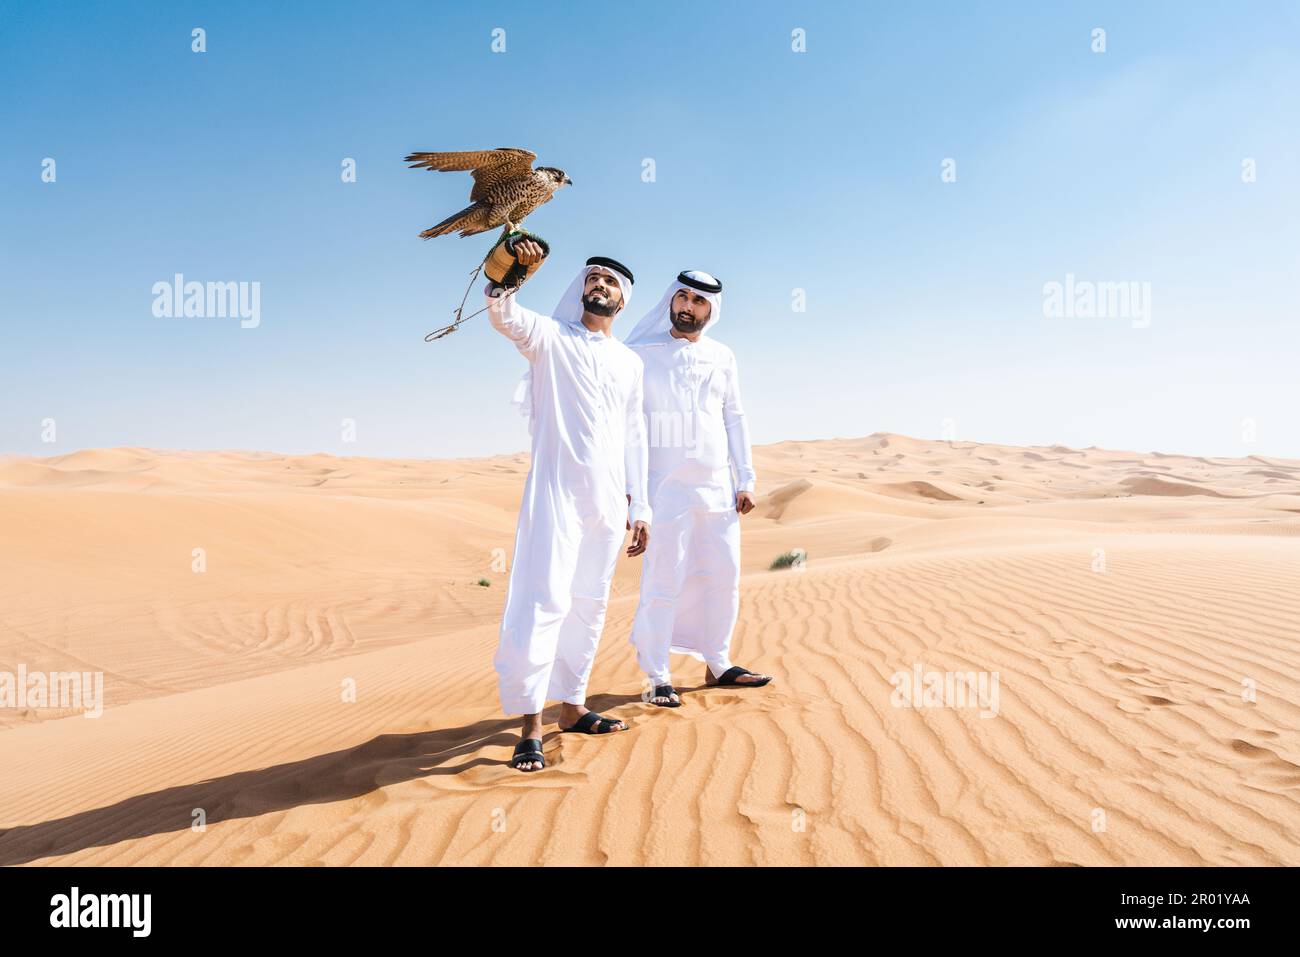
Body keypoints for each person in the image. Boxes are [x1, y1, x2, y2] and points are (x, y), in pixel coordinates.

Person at [485, 240, 651, 771]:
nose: (599, 286)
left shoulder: (629, 362)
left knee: (589, 602)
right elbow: (504, 315)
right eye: (593, 279)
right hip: (555, 492)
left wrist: (640, 506)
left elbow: (635, 436)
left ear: (621, 301)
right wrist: (512, 269)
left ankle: (574, 708)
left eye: (610, 283)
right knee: (543, 600)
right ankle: (530, 725)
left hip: (607, 499)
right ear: (580, 287)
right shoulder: (550, 337)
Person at [623, 269, 772, 708]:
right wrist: (632, 491)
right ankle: (657, 674)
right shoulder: (638, 353)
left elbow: (735, 416)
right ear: (670, 300)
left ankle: (719, 662)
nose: (688, 307)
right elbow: (625, 426)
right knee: (663, 581)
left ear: (712, 310)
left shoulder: (723, 356)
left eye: (699, 301)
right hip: (662, 488)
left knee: (722, 577)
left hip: (716, 487)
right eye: (683, 297)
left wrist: (745, 478)